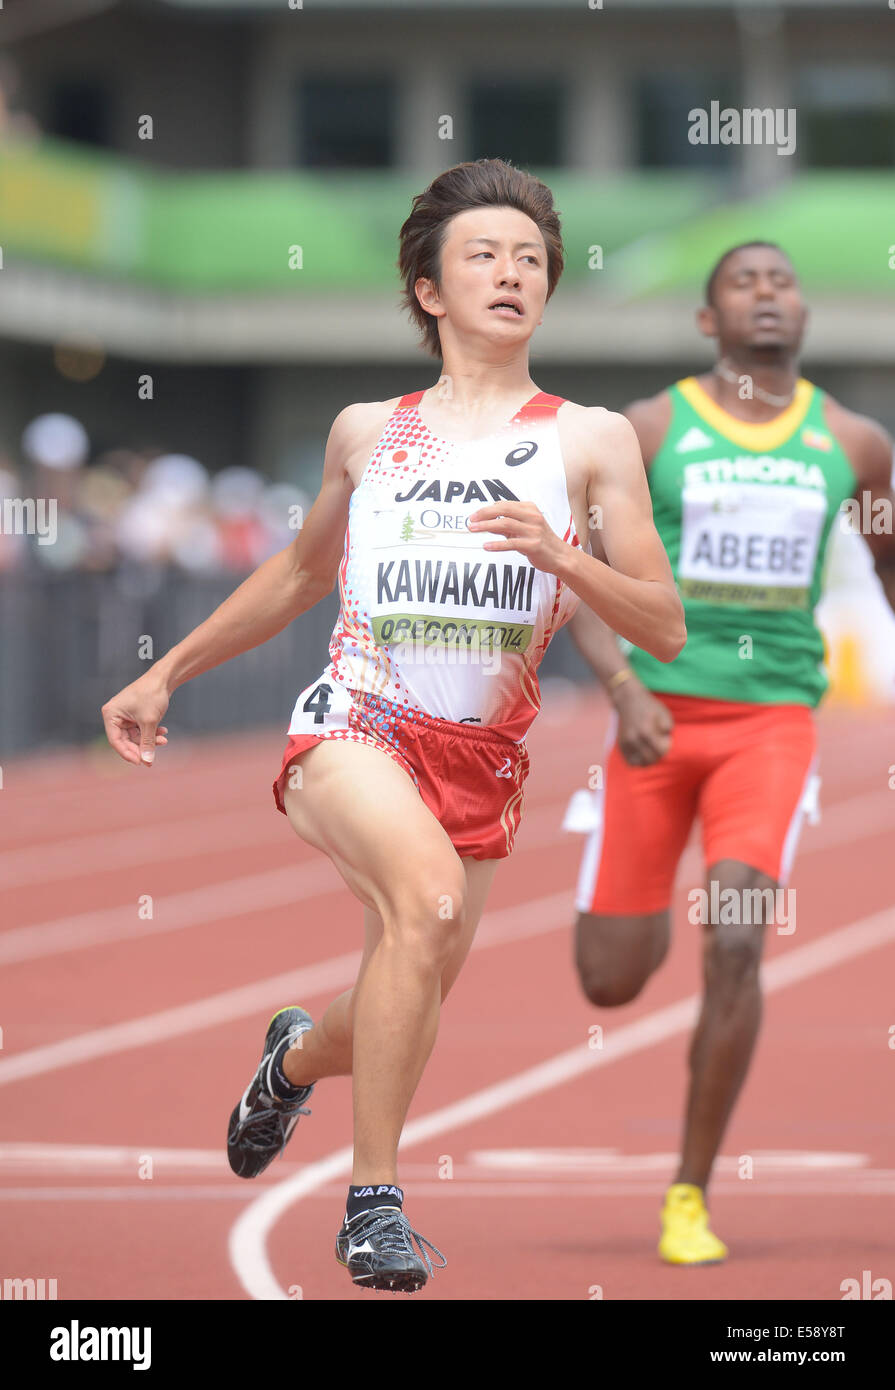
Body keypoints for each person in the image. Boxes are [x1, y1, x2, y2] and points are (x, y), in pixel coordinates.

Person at [101, 158, 685, 1293]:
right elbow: (295, 575)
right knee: (421, 905)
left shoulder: (590, 440)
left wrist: (566, 559)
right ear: (429, 288)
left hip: (483, 759)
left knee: (396, 987)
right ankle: (374, 1205)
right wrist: (164, 670)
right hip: (355, 725)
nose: (511, 273)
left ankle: (287, 1064)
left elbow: (660, 621)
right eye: (484, 255)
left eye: (529, 259)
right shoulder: (369, 431)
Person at [570, 241, 895, 1266]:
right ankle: (643, 895)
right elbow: (574, 575)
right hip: (655, 719)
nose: (767, 292)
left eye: (783, 281)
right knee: (609, 980)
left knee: (739, 939)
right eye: (742, 283)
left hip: (770, 727)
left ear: (803, 312)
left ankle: (687, 1194)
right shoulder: (648, 429)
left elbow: (888, 568)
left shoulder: (856, 443)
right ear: (707, 321)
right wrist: (621, 687)